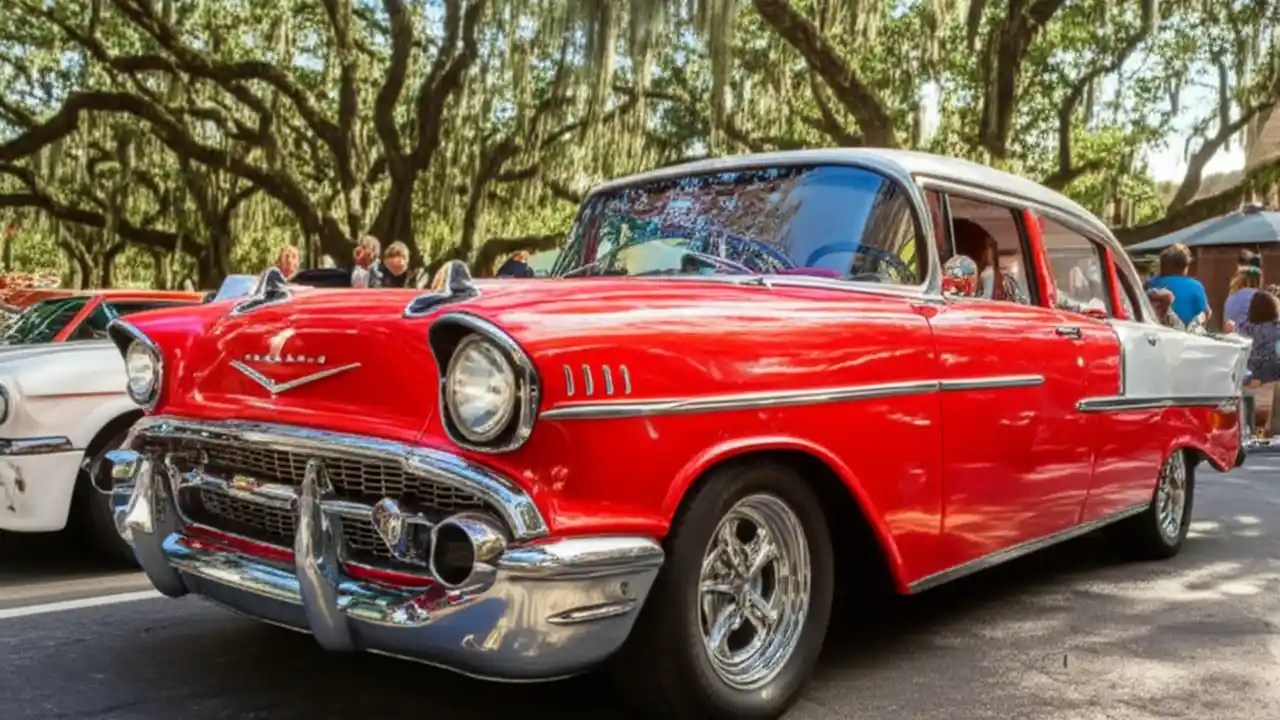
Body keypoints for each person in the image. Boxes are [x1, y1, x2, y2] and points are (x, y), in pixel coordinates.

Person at [1145, 243, 1209, 327]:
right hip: (1184, 334)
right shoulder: (1195, 286)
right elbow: (1204, 313)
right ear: (1186, 267)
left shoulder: (1150, 284)